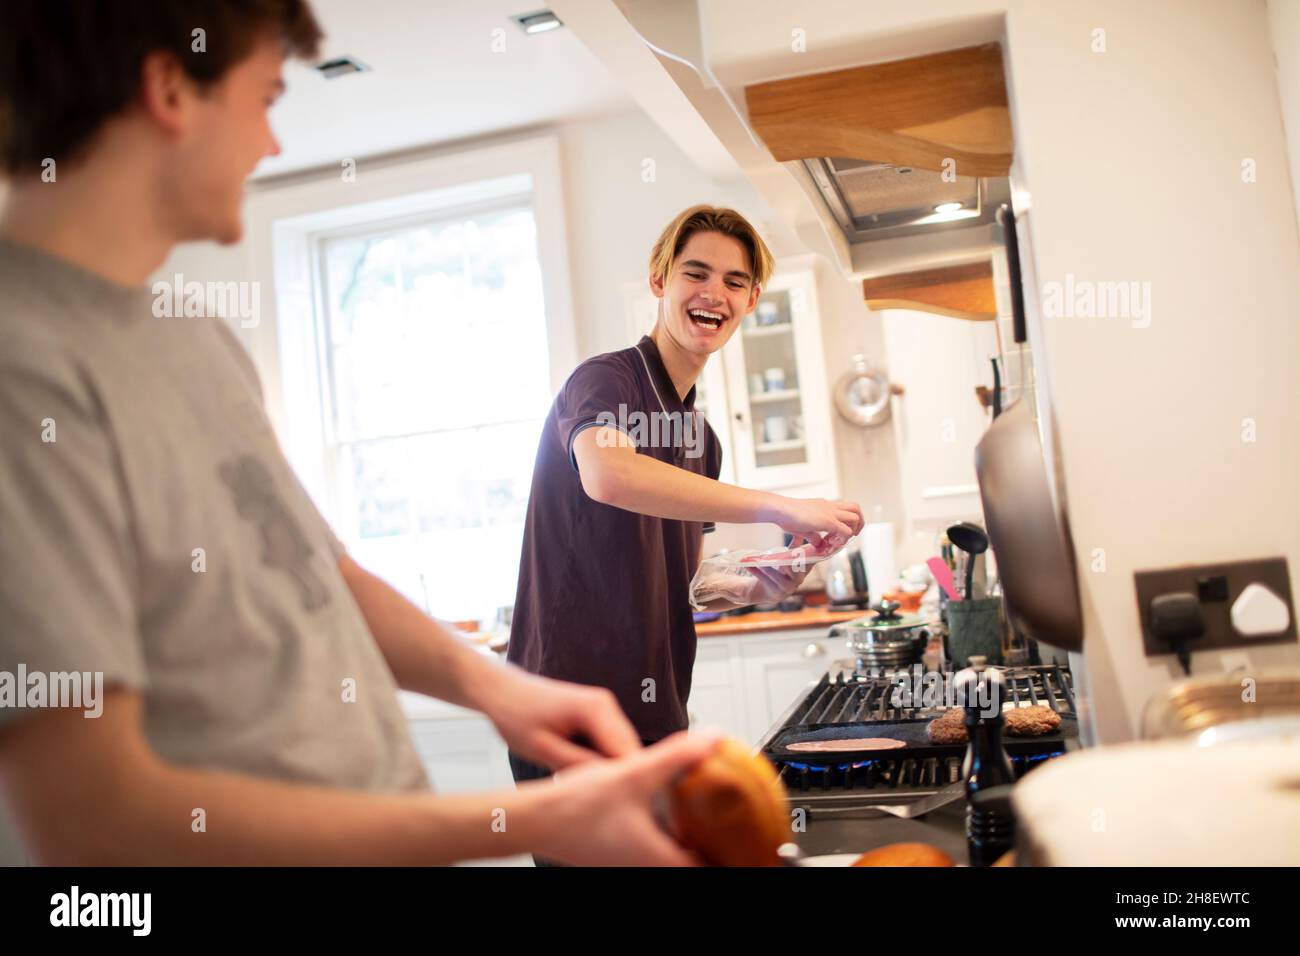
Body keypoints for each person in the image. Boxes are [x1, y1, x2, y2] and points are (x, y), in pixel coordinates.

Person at [0, 0, 718, 867]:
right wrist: (528, 820)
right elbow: (95, 817)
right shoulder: (23, 369)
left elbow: (321, 569)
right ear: (168, 91)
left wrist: (507, 691)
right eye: (265, 98)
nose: (270, 143)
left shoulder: (197, 339)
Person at [507, 204, 864, 786]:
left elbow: (688, 582)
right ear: (659, 281)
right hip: (568, 713)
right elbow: (610, 475)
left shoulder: (702, 439)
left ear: (751, 302)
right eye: (695, 273)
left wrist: (756, 584)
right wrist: (780, 505)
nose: (714, 293)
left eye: (735, 281)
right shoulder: (607, 381)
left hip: (656, 711)